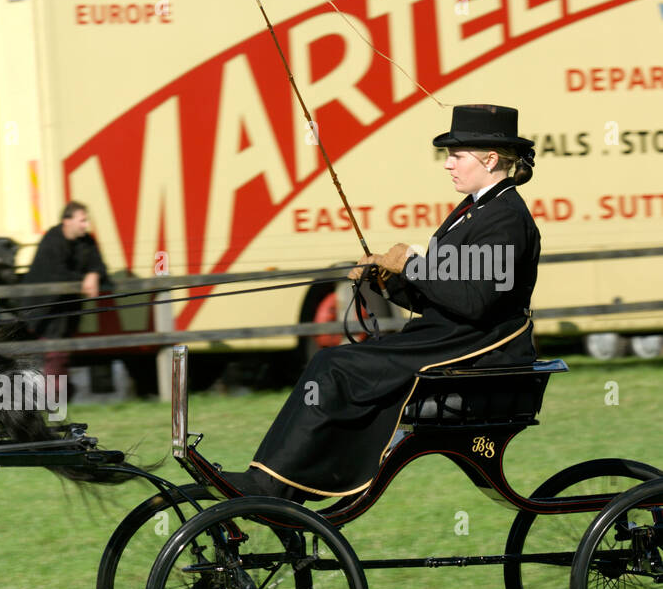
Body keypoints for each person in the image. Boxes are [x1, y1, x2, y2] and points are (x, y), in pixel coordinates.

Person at [224, 103, 541, 502]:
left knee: (333, 365)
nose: (448, 165)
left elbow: (475, 302)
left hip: (476, 349)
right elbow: (443, 296)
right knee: (332, 362)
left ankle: (278, 483)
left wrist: (412, 264)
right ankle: (287, 482)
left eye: (456, 155)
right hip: (448, 335)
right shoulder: (472, 212)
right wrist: (388, 281)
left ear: (490, 159)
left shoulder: (506, 218)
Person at [19, 201, 110, 380]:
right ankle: (53, 400)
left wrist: (93, 273)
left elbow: (99, 266)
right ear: (67, 221)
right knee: (52, 355)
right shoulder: (52, 240)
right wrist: (83, 280)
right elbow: (56, 273)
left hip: (67, 311)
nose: (86, 225)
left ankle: (57, 399)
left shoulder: (86, 241)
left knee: (59, 355)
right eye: (82, 220)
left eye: (86, 221)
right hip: (44, 310)